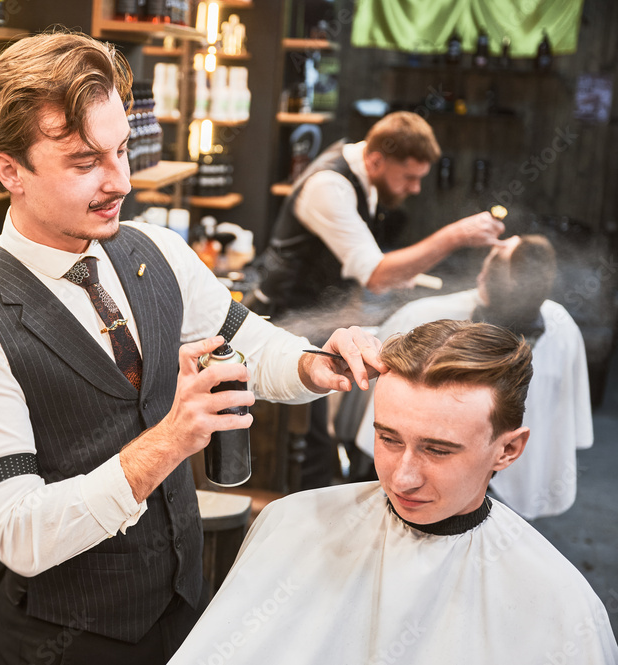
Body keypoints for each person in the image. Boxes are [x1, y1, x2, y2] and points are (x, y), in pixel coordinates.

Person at [0, 31, 385, 664]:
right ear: (11, 171)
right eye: (86, 162)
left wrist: (314, 364)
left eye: (122, 150)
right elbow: (19, 534)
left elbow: (249, 343)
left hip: (185, 609)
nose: (121, 181)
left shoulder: (155, 253)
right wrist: (170, 439)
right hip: (67, 645)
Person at [169, 320, 618, 665]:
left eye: (437, 450)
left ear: (509, 450)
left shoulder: (558, 605)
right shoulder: (292, 525)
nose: (402, 478)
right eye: (389, 439)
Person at [245, 111, 506, 489]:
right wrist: (455, 236)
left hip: (315, 322)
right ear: (376, 160)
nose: (415, 189)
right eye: (410, 178)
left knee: (315, 442)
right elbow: (377, 275)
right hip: (283, 325)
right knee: (310, 446)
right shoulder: (328, 186)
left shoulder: (359, 176)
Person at [349, 235, 594, 519]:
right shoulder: (562, 324)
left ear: (484, 280)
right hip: (470, 487)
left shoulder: (421, 315)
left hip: (511, 494)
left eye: (439, 449)